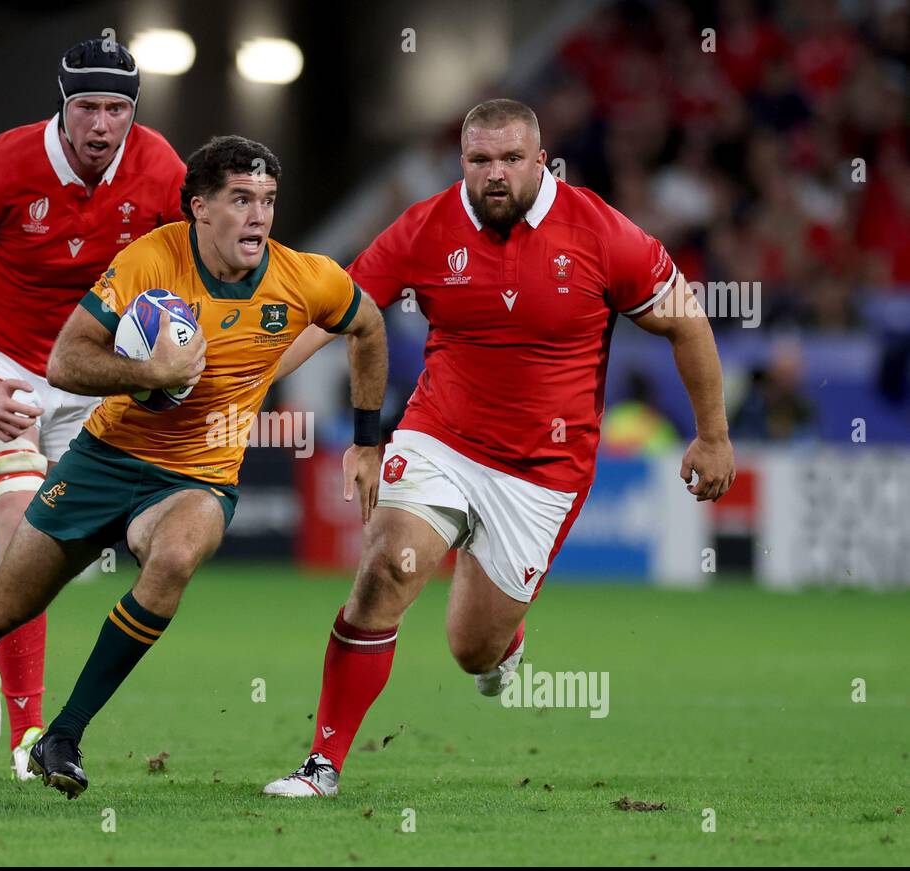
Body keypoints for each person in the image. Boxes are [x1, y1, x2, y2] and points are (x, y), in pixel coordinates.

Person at [0, 134, 388, 799]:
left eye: (268, 201)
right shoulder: (151, 261)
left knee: (177, 555)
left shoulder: (305, 278)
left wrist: (367, 439)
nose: (258, 217)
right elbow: (66, 362)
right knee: (0, 609)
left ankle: (64, 735)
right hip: (104, 459)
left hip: (197, 478)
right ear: (199, 208)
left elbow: (367, 325)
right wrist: (148, 372)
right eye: (240, 200)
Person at [264, 98, 736, 797]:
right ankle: (323, 763)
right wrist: (252, 380)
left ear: (539, 160)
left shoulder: (600, 232)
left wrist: (712, 435)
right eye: (480, 160)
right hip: (439, 438)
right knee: (385, 573)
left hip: (543, 472)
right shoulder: (426, 227)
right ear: (463, 162)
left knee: (471, 648)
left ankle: (502, 646)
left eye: (511, 159)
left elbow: (687, 324)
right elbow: (341, 312)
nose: (495, 174)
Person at [0, 38, 185, 778]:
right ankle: (32, 737)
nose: (102, 124)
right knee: (22, 523)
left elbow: (191, 273)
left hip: (92, 376)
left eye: (117, 108)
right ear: (61, 108)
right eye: (87, 107)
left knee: (51, 564)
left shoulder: (162, 169)